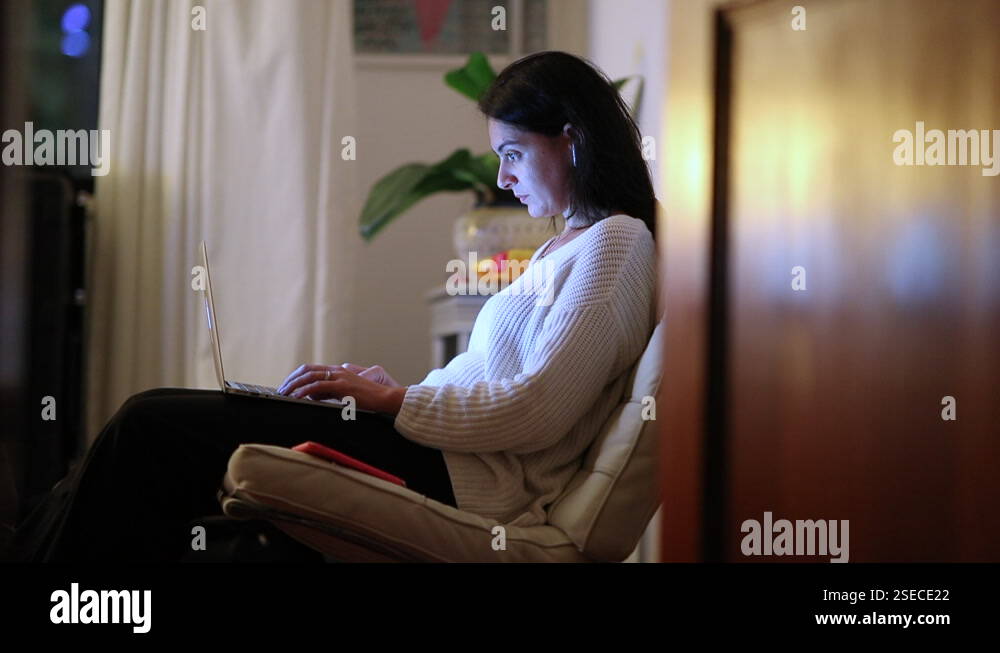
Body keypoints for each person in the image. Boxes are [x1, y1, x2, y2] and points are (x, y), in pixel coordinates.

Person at [4, 50, 658, 563]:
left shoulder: (618, 243)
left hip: (465, 479)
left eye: (511, 154)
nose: (500, 178)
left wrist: (394, 402)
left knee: (149, 424)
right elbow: (503, 387)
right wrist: (393, 390)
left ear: (569, 140)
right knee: (147, 443)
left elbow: (536, 407)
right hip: (437, 450)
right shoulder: (564, 248)